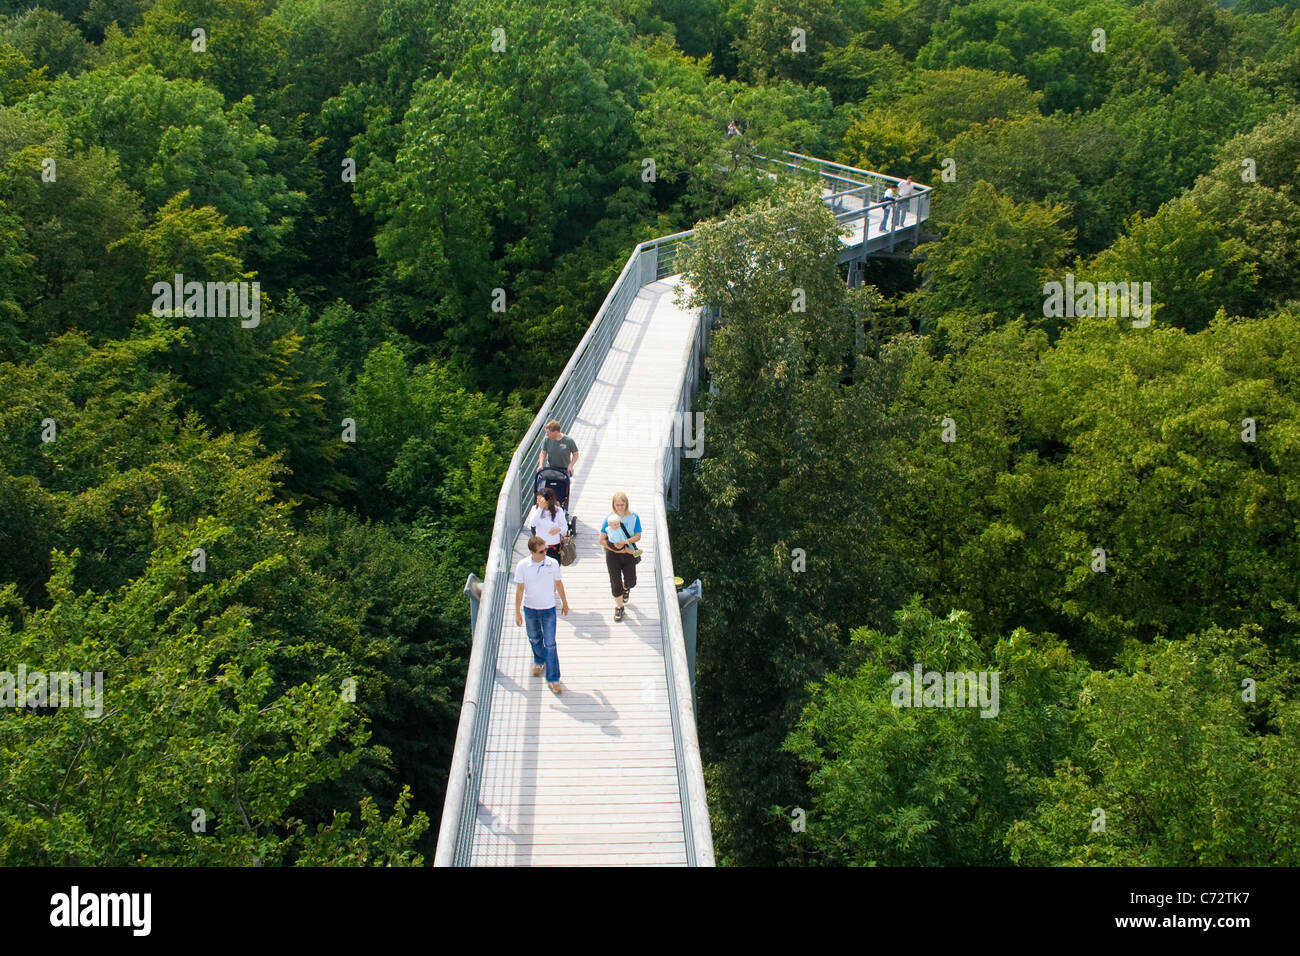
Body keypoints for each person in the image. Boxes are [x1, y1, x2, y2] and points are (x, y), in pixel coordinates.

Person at [515, 535, 569, 694]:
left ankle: (554, 679)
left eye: (545, 549)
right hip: (530, 608)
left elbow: (559, 583)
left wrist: (565, 603)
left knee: (550, 643)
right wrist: (517, 612)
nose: (544, 553)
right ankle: (539, 660)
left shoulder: (552, 564)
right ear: (532, 552)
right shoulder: (523, 566)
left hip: (548, 609)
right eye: (541, 551)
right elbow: (519, 590)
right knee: (534, 638)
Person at [598, 492, 642, 623]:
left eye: (622, 505)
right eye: (617, 505)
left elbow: (638, 536)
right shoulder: (609, 519)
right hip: (613, 556)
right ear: (613, 505)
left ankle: (626, 587)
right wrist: (615, 550)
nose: (620, 507)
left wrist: (624, 543)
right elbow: (602, 539)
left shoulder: (634, 517)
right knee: (615, 582)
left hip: (628, 554)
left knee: (631, 581)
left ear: (626, 504)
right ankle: (619, 606)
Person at [527, 489, 567, 562]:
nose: (538, 502)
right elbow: (532, 524)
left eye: (540, 500)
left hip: (553, 548)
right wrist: (540, 509)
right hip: (539, 548)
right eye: (537, 499)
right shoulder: (535, 509)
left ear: (548, 500)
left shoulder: (558, 511)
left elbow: (565, 528)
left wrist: (559, 529)